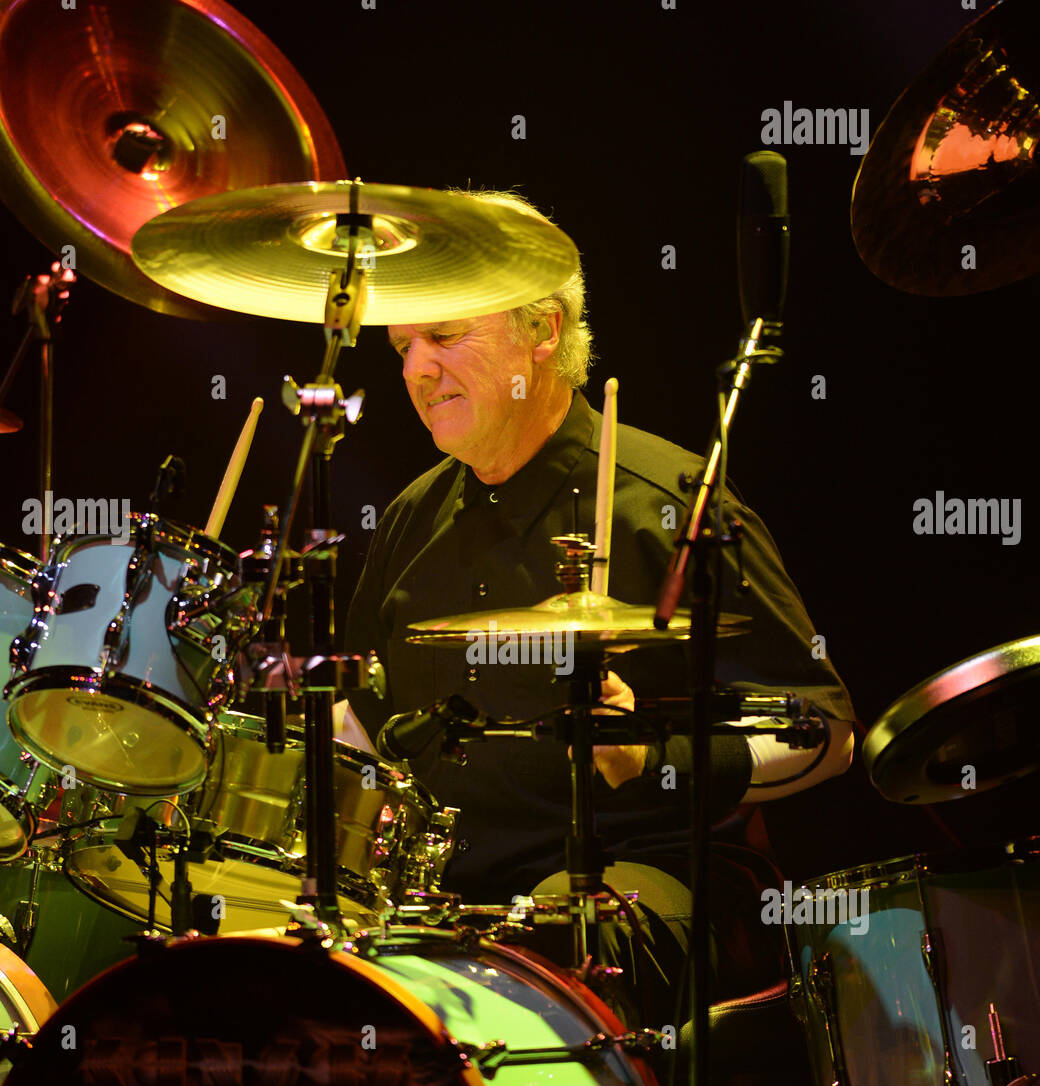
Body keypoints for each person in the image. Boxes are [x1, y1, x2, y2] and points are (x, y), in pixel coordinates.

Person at [340, 189, 855, 1024]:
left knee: (548, 944)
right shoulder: (409, 520)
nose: (414, 370)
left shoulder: (670, 501)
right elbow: (361, 726)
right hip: (450, 892)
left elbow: (826, 732)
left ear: (542, 332)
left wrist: (657, 759)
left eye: (443, 336)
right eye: (402, 347)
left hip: (651, 873)